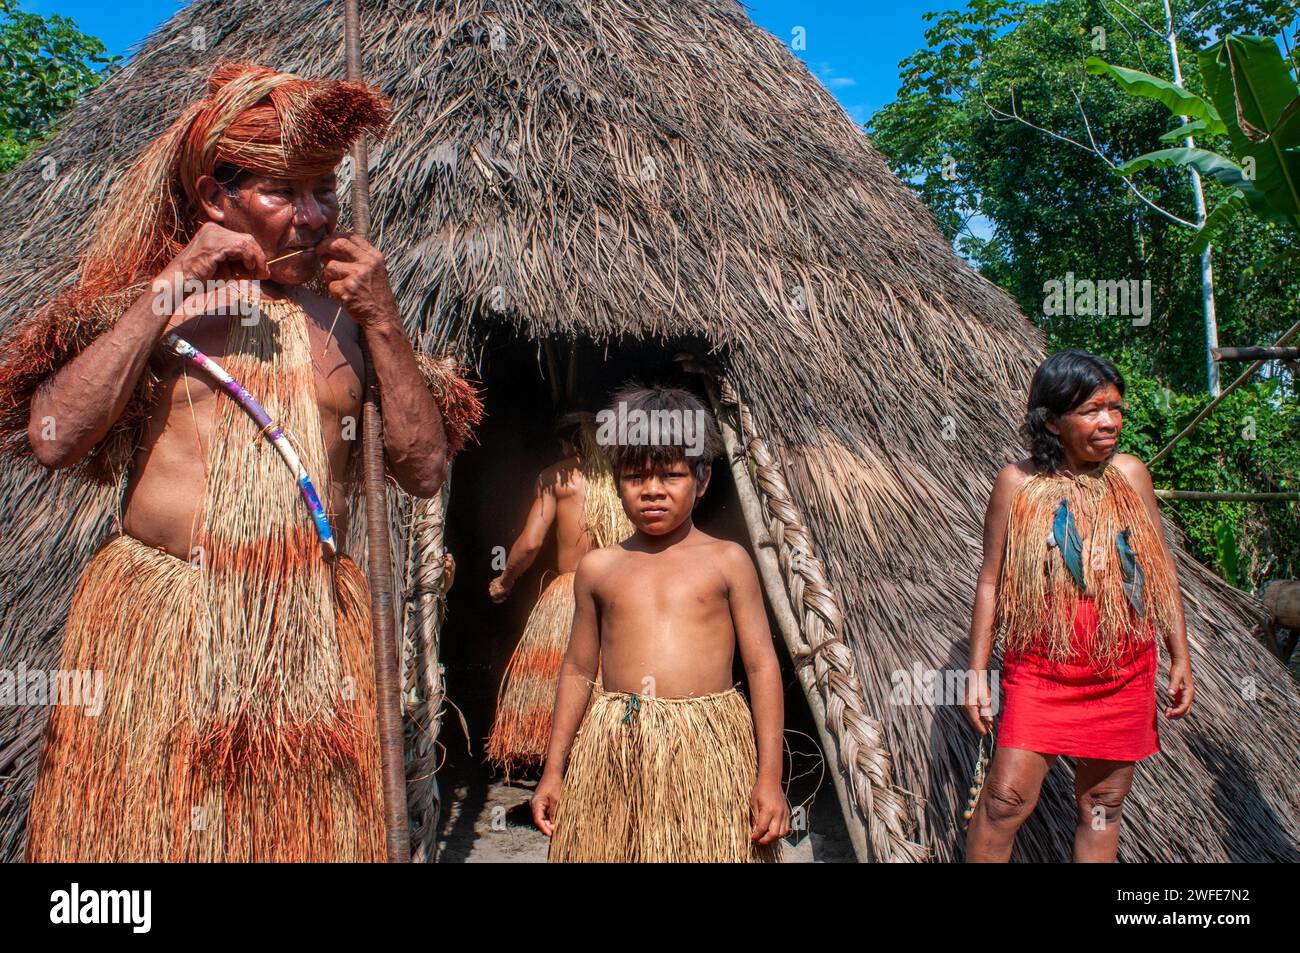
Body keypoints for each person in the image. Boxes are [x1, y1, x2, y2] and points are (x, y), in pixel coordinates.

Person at [0, 63, 479, 861]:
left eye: (324, 189)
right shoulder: (159, 306)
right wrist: (172, 286)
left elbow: (424, 470)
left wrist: (385, 319)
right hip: (167, 625)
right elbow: (53, 435)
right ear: (216, 199)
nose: (314, 214)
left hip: (308, 634)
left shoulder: (354, 323)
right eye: (283, 193)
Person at [530, 384, 789, 862]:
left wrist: (769, 779)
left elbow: (761, 668)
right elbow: (577, 670)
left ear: (703, 478)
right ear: (615, 482)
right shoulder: (599, 568)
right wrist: (554, 770)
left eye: (671, 475)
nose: (652, 491)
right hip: (617, 746)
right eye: (634, 477)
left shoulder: (728, 562)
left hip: (707, 750)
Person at [963, 350, 1193, 863]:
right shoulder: (1018, 484)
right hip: (1042, 673)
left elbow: (1160, 574)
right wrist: (977, 673)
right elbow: (991, 583)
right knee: (1004, 804)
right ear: (1051, 421)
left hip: (1122, 670)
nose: (1109, 421)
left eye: (1115, 407)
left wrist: (1180, 656)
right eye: (1092, 410)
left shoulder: (1131, 476)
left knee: (1102, 806)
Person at [486, 412, 632, 777]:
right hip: (623, 592)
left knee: (567, 675)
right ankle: (607, 760)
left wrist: (505, 580)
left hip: (571, 591)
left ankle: (560, 768)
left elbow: (530, 543)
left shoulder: (555, 477)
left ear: (567, 443)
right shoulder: (626, 476)